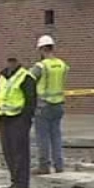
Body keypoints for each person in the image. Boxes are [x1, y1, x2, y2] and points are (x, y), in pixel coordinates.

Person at [0, 56, 37, 188]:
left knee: (19, 152)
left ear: (18, 62)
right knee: (9, 152)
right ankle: (14, 181)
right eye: (9, 60)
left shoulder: (26, 77)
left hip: (18, 119)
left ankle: (21, 184)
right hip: (4, 117)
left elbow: (31, 100)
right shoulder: (3, 76)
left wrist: (26, 119)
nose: (10, 63)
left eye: (13, 60)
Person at [31, 34, 69, 175]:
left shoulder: (41, 66)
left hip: (43, 106)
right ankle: (59, 165)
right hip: (58, 104)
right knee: (56, 136)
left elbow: (29, 81)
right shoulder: (62, 64)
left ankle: (44, 166)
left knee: (43, 138)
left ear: (41, 49)